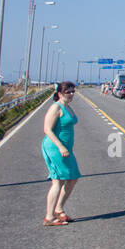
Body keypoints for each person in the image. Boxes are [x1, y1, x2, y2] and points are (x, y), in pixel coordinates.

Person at [41, 82, 81, 226]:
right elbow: (47, 129)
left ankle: (59, 208)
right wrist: (60, 147)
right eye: (67, 92)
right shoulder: (55, 107)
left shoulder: (67, 107)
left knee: (73, 178)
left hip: (66, 149)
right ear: (59, 93)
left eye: (72, 91)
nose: (71, 94)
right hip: (55, 148)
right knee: (57, 181)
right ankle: (49, 217)